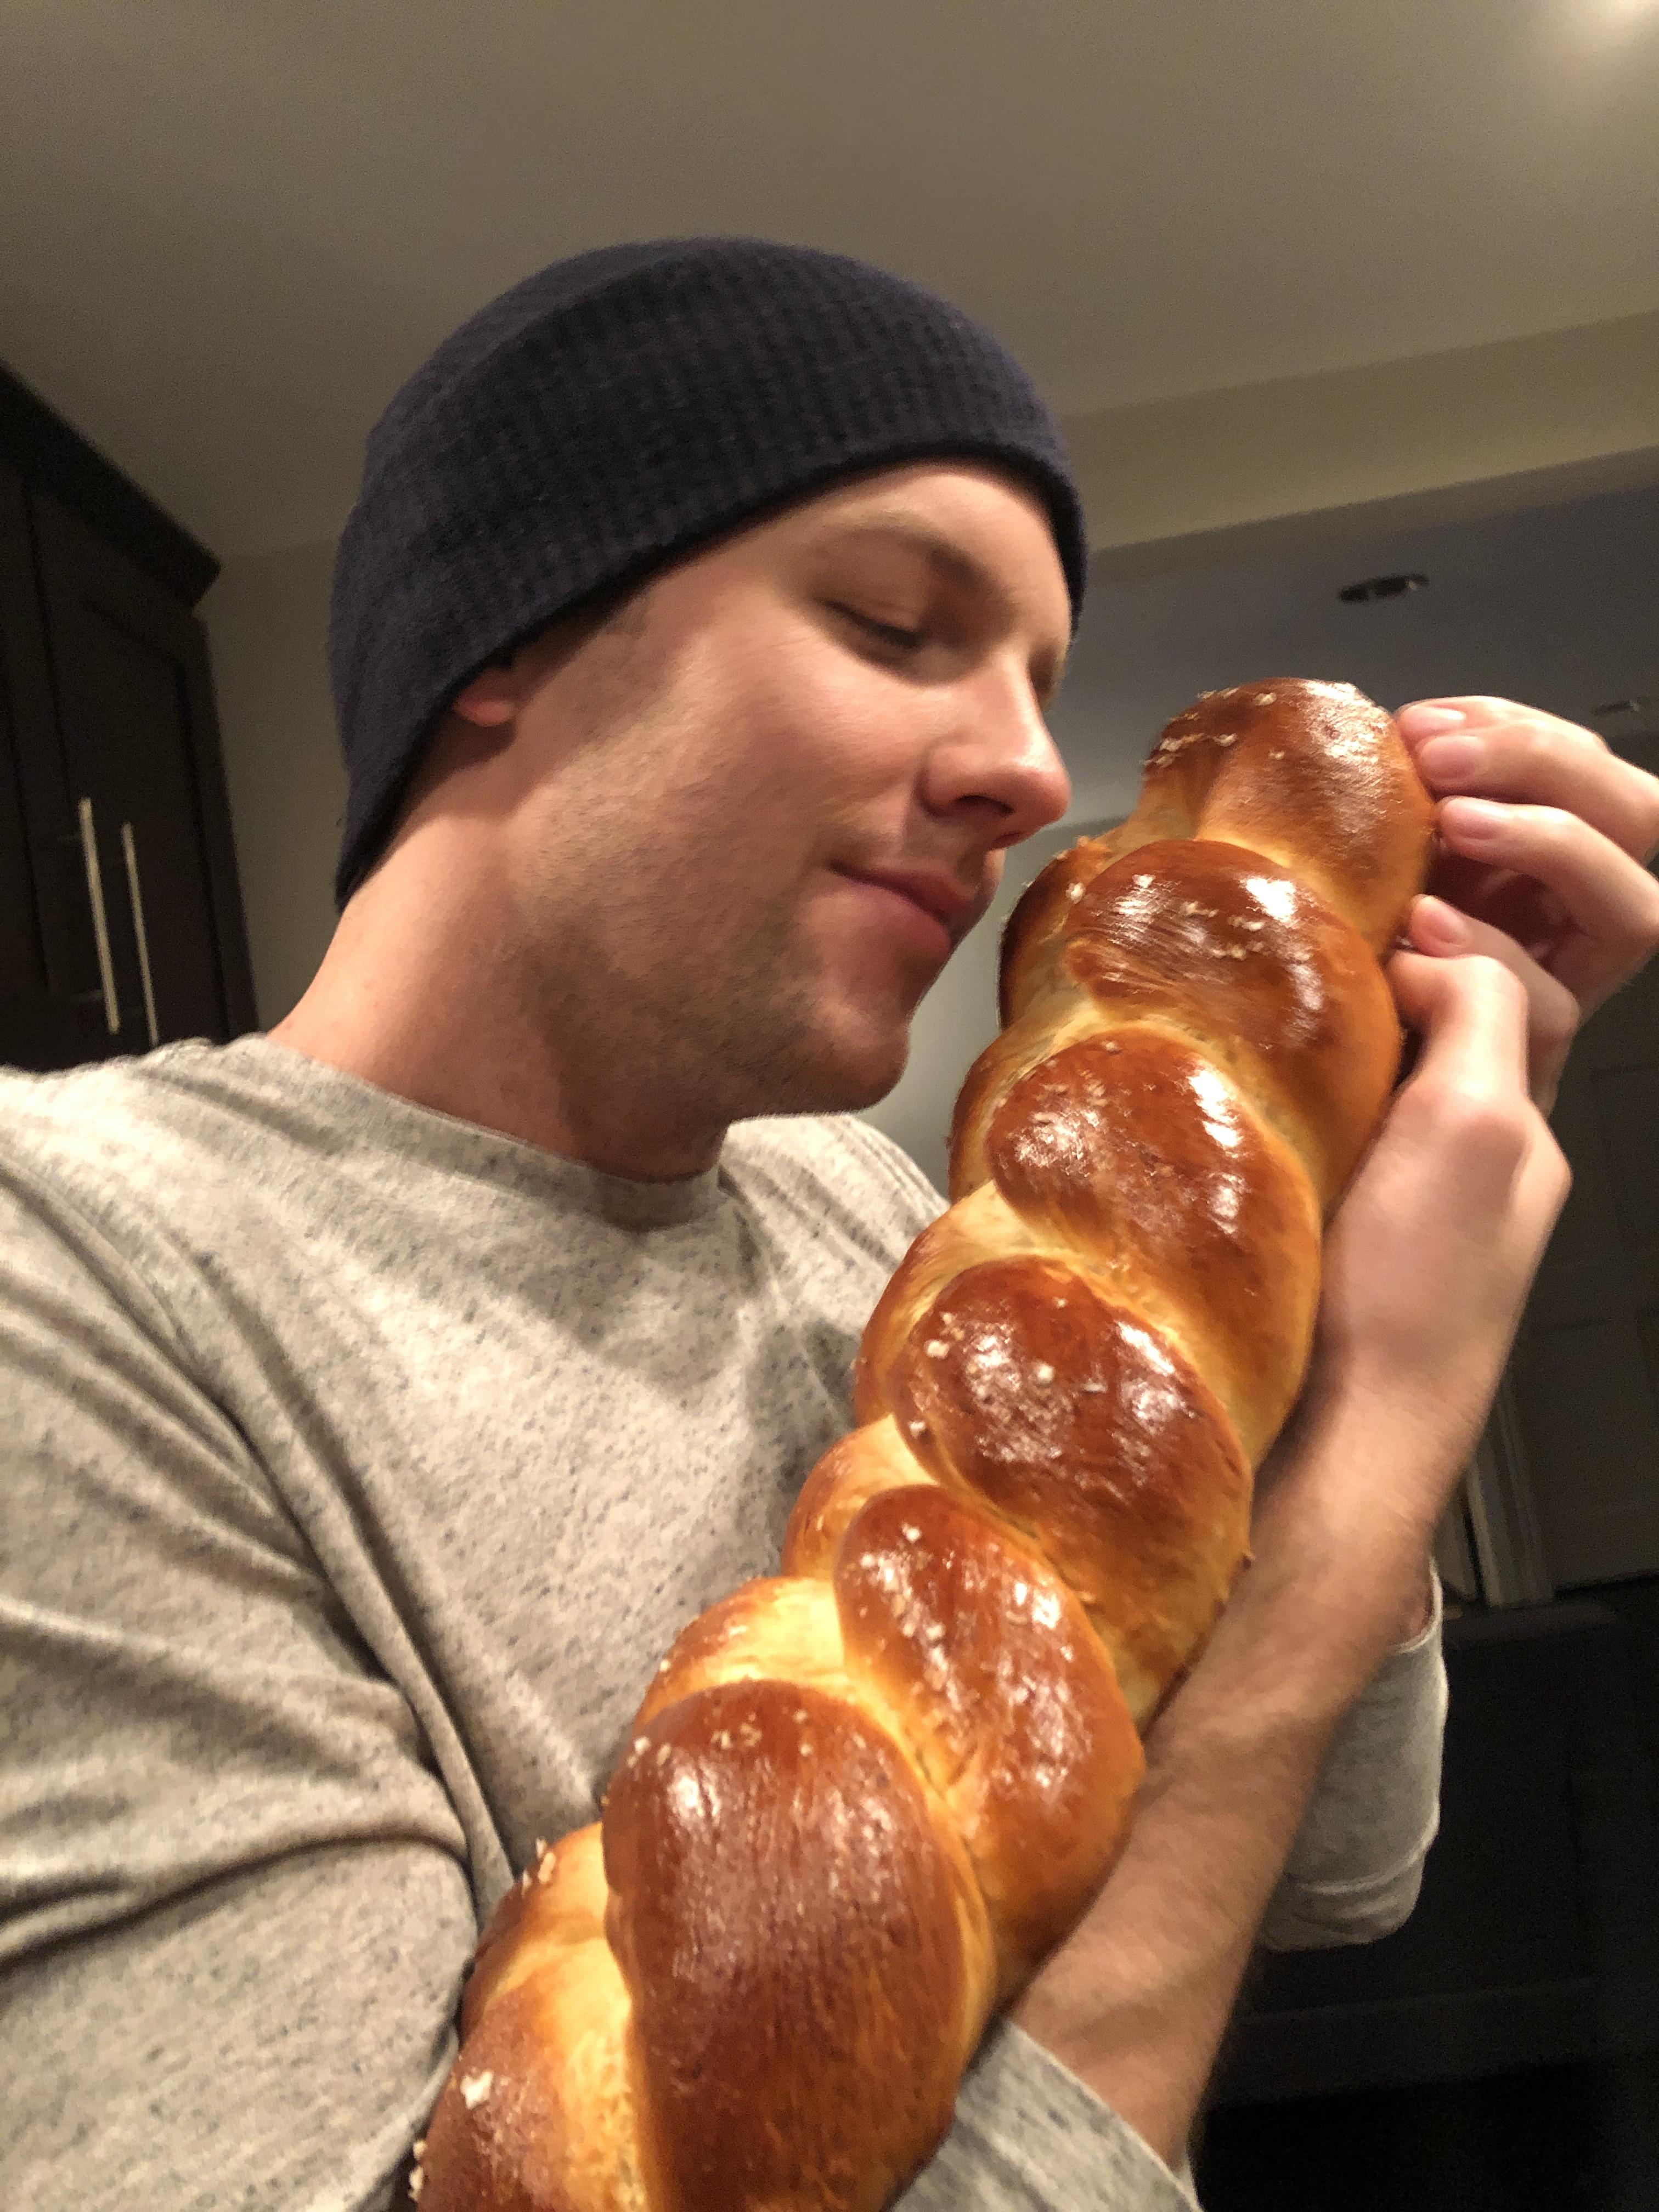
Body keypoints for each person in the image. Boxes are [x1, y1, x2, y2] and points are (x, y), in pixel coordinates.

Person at [2, 239, 1656, 2212]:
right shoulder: (78, 1273)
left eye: (1043, 680)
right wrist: (1385, 1439)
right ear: (501, 646)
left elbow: (1331, 1871)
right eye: (894, 623)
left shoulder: (867, 1213)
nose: (1033, 770)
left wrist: (1333, 1251)